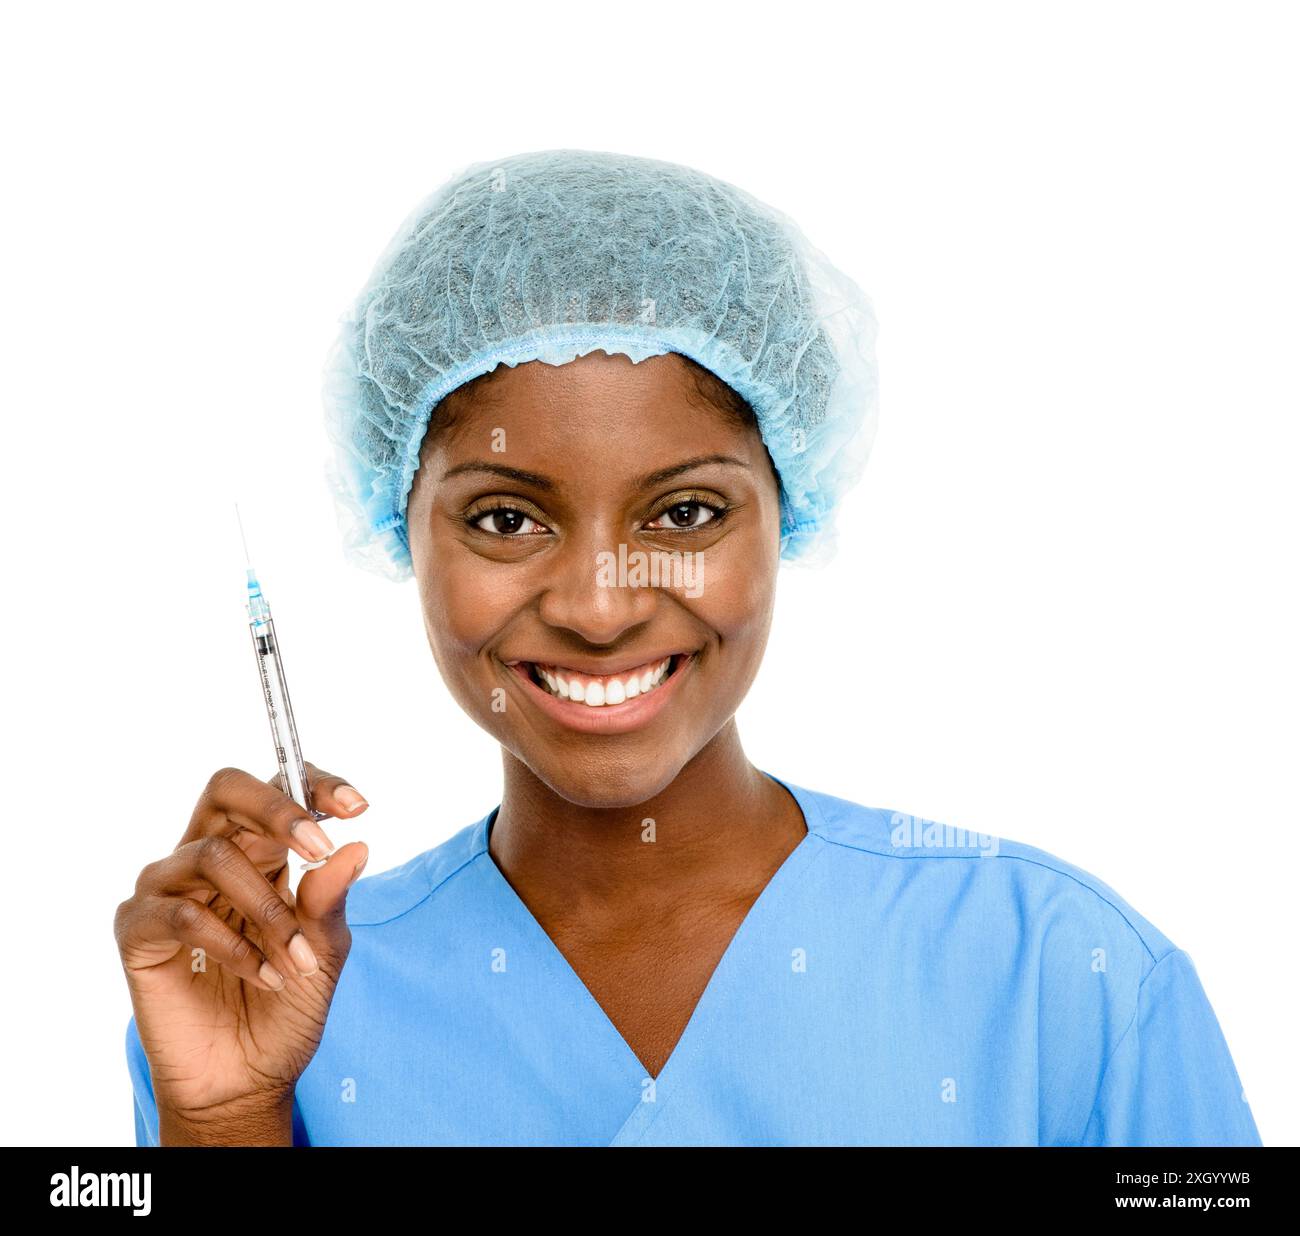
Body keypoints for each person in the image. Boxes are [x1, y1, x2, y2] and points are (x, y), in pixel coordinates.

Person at [116, 149, 1261, 1147]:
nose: (601, 609)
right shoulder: (273, 995)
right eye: (508, 519)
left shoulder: (1063, 978)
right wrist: (223, 1126)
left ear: (789, 507)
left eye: (684, 514)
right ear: (397, 527)